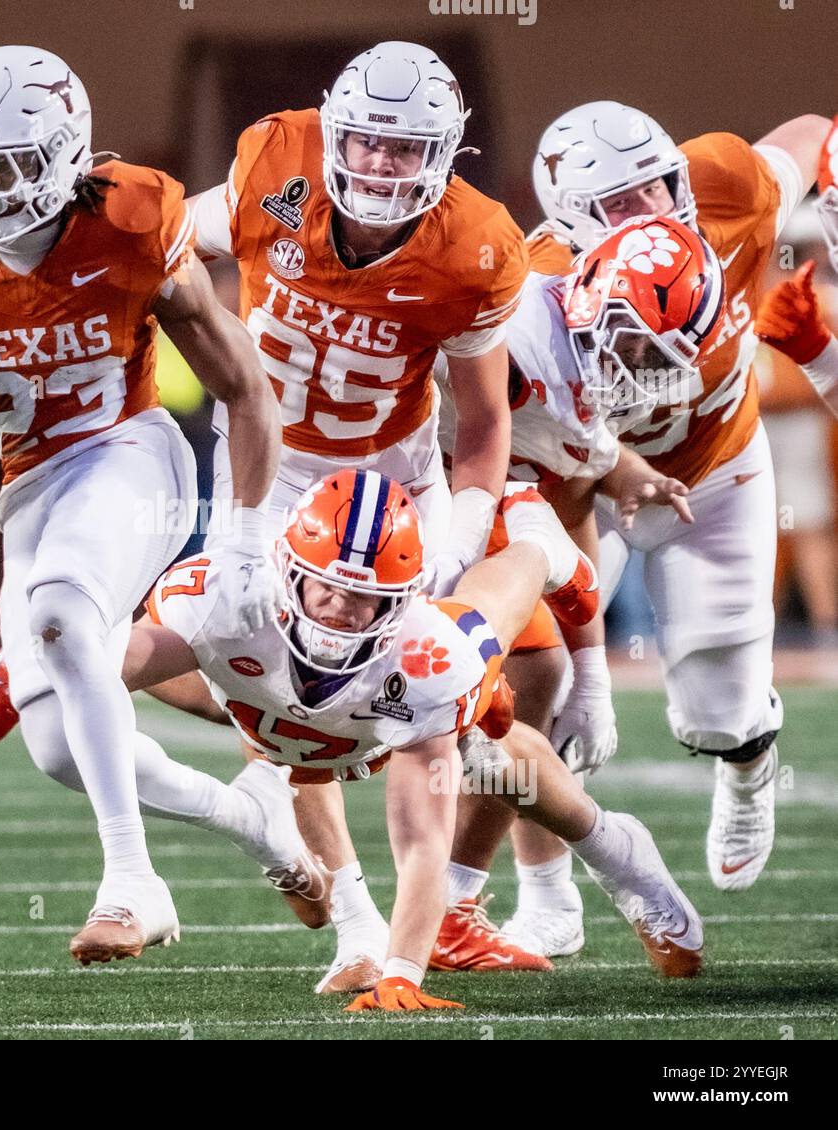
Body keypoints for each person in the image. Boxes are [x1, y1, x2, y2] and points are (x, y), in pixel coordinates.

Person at [0, 46, 289, 965]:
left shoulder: (133, 217)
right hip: (31, 483)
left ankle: (133, 882)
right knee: (55, 747)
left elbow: (244, 386)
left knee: (57, 613)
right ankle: (252, 820)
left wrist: (242, 539)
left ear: (63, 152)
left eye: (4, 164)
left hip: (132, 448)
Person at [179, 40, 529, 988]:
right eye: (367, 140)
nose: (380, 163)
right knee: (281, 695)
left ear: (446, 155)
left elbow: (488, 417)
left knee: (433, 710)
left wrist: (460, 532)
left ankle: (468, 909)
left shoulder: (477, 244)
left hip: (394, 486)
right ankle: (352, 917)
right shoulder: (274, 165)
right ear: (335, 133)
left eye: (405, 147)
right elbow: (174, 238)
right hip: (268, 477)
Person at [126, 471, 703, 1007]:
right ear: (287, 570)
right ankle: (357, 930)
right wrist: (40, 685)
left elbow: (422, 839)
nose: (339, 612)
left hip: (402, 646)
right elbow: (107, 665)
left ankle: (537, 543)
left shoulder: (425, 652)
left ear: (400, 600)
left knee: (484, 730)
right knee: (276, 730)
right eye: (324, 588)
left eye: (363, 599)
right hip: (284, 642)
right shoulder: (225, 600)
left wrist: (403, 973)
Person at [508, 100, 832, 941]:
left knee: (718, 710)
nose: (651, 210)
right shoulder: (534, 299)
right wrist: (591, 669)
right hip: (591, 484)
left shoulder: (727, 188)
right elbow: (565, 478)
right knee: (529, 681)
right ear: (571, 218)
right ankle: (546, 900)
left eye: (658, 185)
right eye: (618, 204)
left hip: (718, 469)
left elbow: (807, 133)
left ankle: (750, 765)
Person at [433, 215, 723, 961]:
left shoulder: (577, 382)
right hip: (385, 489)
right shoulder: (514, 322)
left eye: (658, 358)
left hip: (465, 499)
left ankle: (451, 903)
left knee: (518, 680)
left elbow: (565, 504)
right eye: (634, 345)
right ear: (594, 299)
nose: (639, 370)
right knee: (317, 692)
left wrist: (593, 673)